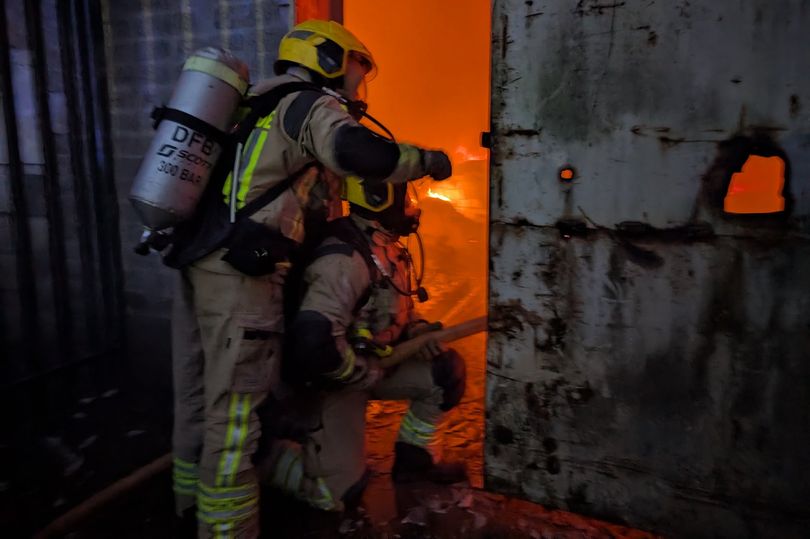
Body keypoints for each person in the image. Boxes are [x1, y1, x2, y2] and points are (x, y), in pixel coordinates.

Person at [170, 19, 454, 538]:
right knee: (234, 420)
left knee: (199, 403)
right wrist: (425, 162)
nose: (356, 84)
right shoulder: (306, 102)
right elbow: (356, 153)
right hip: (241, 276)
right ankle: (226, 530)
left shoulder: (256, 104)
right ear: (326, 57)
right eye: (354, 68)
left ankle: (189, 506)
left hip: (202, 262)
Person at [257, 178, 467, 514]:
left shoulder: (385, 245)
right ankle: (266, 456)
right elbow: (315, 344)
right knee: (339, 496)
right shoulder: (344, 260)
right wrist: (361, 372)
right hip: (336, 380)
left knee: (446, 371)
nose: (413, 208)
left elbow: (392, 309)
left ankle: (415, 461)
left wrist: (418, 331)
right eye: (406, 200)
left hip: (374, 366)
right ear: (377, 199)